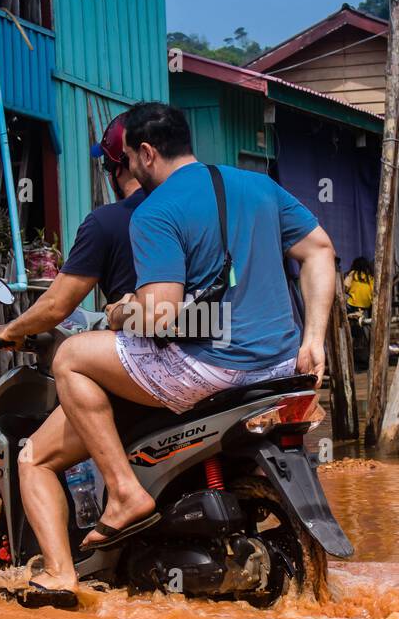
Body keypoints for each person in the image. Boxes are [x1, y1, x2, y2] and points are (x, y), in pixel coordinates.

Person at [50, 101, 336, 558]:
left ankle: (124, 491)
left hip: (212, 369)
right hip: (283, 367)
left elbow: (159, 315)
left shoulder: (155, 212)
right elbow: (320, 249)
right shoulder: (259, 186)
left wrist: (123, 311)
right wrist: (313, 340)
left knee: (70, 358)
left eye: (125, 159)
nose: (126, 169)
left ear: (146, 153)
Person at [0, 114, 143, 606]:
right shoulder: (189, 213)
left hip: (141, 367)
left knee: (32, 455)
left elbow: (58, 305)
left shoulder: (108, 221)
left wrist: (11, 330)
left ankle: (59, 575)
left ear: (117, 166)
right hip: (204, 360)